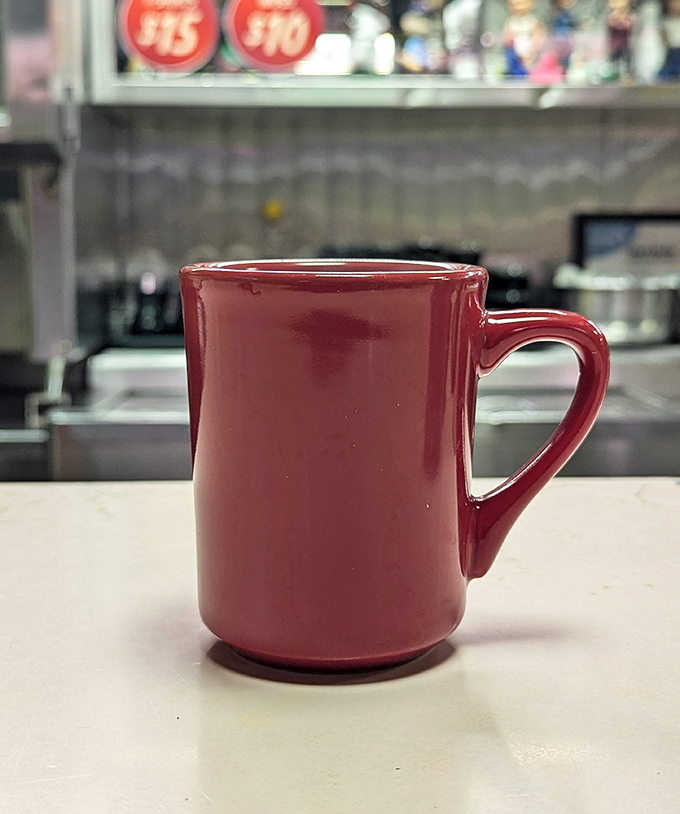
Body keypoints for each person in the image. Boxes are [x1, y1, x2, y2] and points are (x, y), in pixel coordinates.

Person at [503, 0, 545, 76]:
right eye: (514, 5)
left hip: (530, 51)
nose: (518, 8)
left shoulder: (532, 20)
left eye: (521, 4)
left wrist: (533, 48)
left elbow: (538, 35)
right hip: (516, 52)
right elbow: (507, 37)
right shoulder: (511, 21)